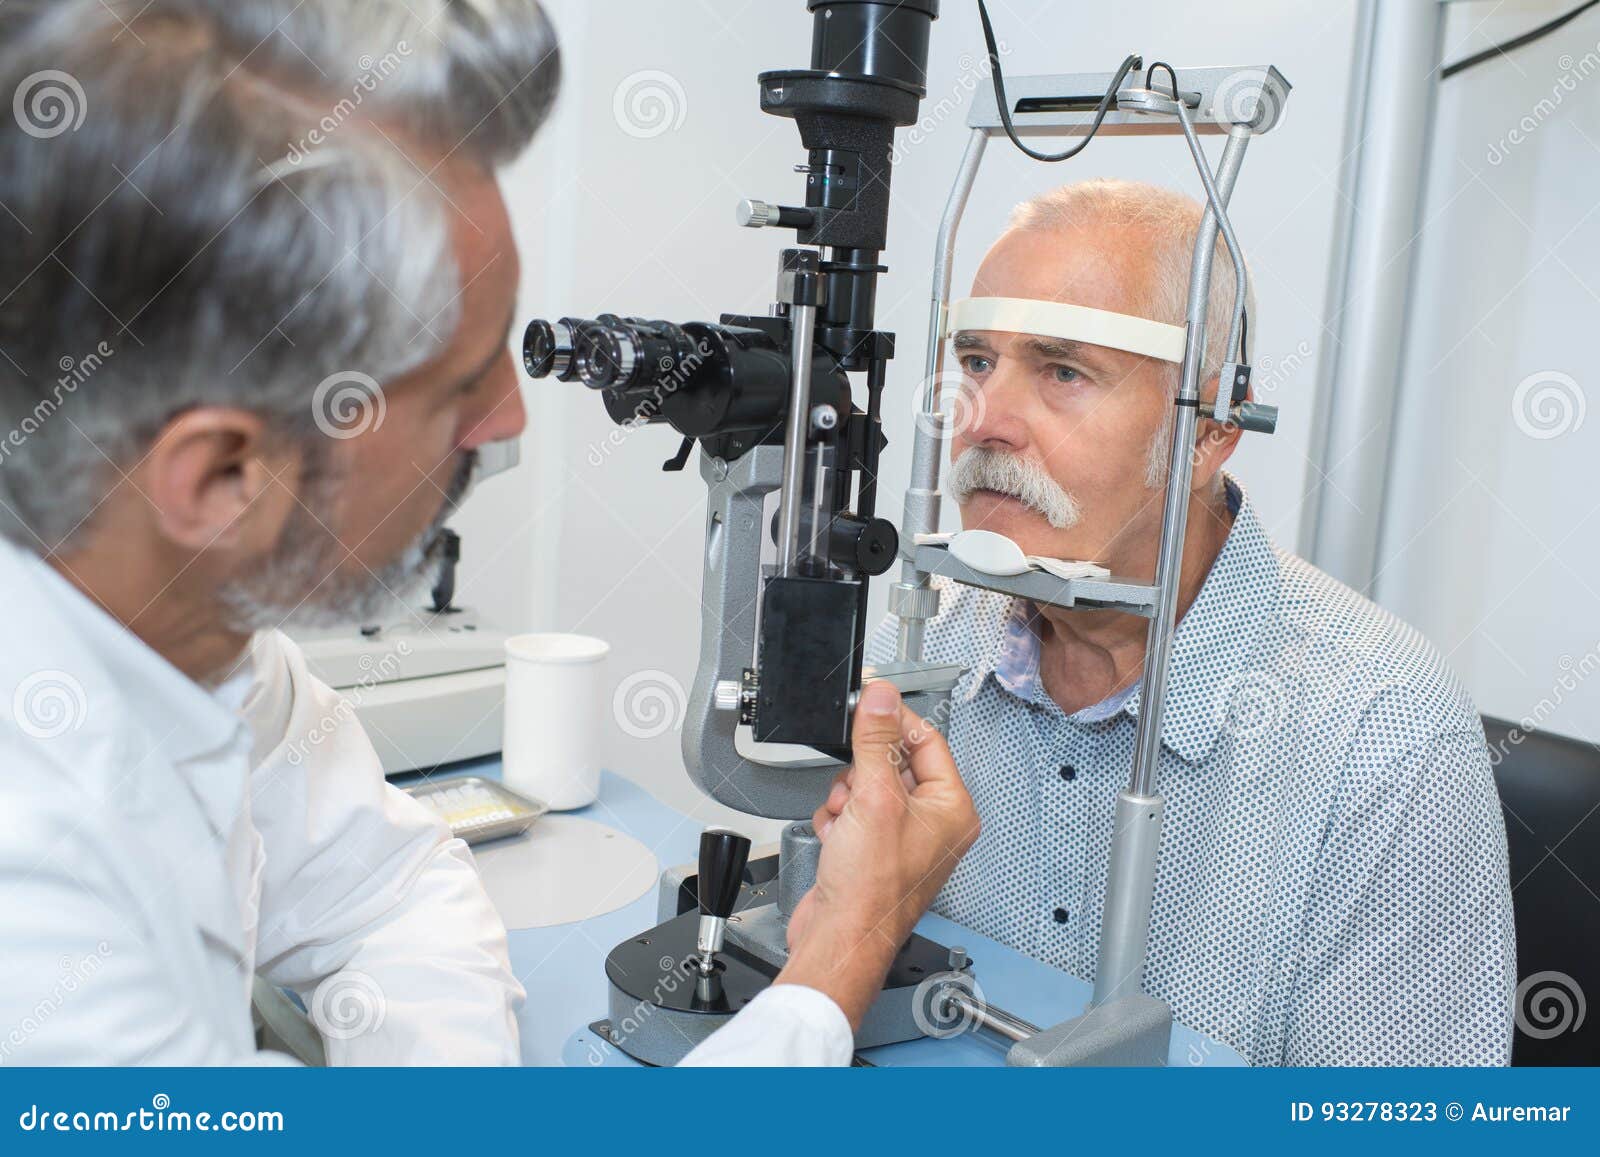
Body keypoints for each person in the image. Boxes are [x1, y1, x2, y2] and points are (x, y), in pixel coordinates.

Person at [0, 0, 978, 1066]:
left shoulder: (195, 638)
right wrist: (836, 962)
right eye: (461, 383)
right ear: (222, 473)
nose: (509, 417)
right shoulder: (39, 929)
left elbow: (391, 886)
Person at [832, 178, 1516, 1065]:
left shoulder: (1383, 740)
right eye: (975, 362)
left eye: (1063, 370)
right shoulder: (922, 656)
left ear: (1208, 435)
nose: (984, 421)